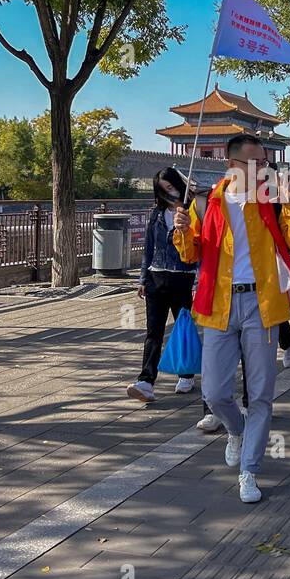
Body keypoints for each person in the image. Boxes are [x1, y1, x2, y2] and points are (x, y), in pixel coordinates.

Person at [173, 134, 290, 503]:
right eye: (257, 163)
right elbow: (191, 255)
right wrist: (182, 231)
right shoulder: (207, 202)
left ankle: (249, 471)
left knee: (262, 393)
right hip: (218, 305)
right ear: (233, 166)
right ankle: (236, 430)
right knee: (215, 392)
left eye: (266, 163)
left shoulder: (272, 200)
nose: (264, 169)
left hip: (262, 305)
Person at [128, 168, 200, 404]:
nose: (168, 192)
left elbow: (202, 248)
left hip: (184, 277)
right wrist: (142, 279)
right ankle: (146, 380)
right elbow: (148, 249)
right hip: (157, 277)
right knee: (154, 332)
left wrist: (199, 281)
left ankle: (186, 374)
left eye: (171, 186)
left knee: (183, 327)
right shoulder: (157, 215)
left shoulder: (195, 210)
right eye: (163, 189)